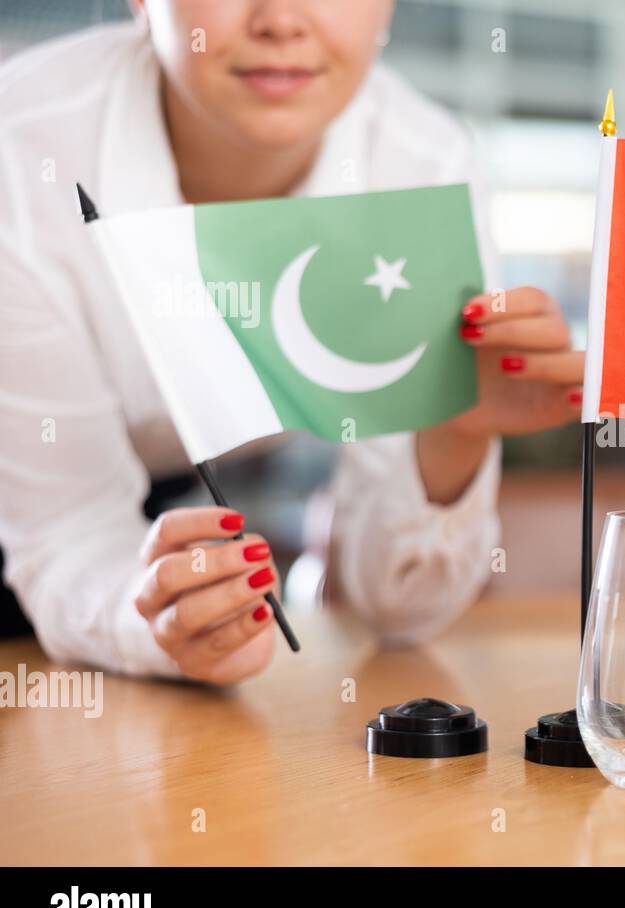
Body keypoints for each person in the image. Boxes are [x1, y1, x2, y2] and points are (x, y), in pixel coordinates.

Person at [0, 1, 583, 685]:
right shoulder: (23, 151)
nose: (281, 20)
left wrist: (452, 432)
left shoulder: (421, 164)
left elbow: (397, 611)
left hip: (166, 506)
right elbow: (66, 530)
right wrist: (157, 624)